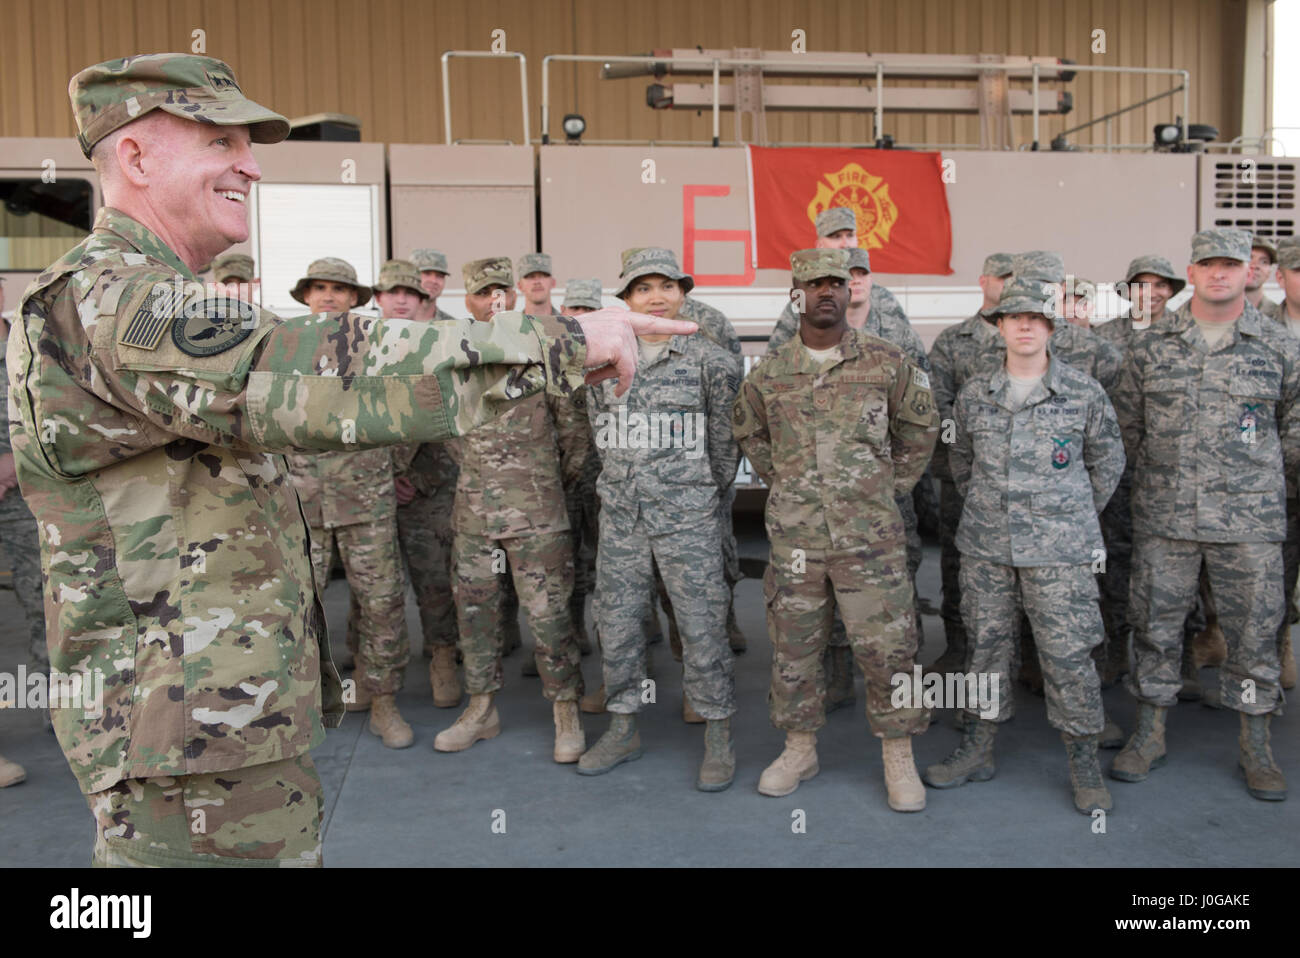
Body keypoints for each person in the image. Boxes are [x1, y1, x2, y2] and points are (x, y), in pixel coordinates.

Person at [11, 53, 694, 867]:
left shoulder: (141, 293)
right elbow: (305, 371)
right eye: (220, 140)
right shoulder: (110, 297)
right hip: (182, 744)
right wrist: (559, 341)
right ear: (135, 156)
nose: (251, 164)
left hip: (215, 726)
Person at [734, 248, 937, 810]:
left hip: (869, 540)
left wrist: (880, 489)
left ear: (850, 293)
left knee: (889, 648)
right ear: (794, 295)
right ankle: (800, 748)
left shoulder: (888, 361)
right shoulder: (771, 374)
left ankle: (898, 755)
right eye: (812, 283)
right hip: (796, 541)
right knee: (794, 650)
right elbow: (750, 436)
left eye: (836, 282)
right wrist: (792, 484)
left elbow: (920, 431)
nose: (825, 291)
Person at [1110, 227, 1299, 802]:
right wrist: (1145, 496)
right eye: (1207, 264)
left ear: (1250, 273)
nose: (1219, 274)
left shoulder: (1279, 346)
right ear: (1189, 273)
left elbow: (1294, 433)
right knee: (1156, 628)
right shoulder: (1150, 345)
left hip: (1250, 525)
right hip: (1166, 519)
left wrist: (1269, 492)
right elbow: (1126, 432)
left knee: (1253, 636)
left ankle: (1255, 744)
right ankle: (1149, 732)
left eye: (1231, 265)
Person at [926, 276, 1125, 814]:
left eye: (1036, 319)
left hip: (1060, 553)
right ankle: (979, 747)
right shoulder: (974, 395)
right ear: (998, 327)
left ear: (1052, 326)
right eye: (1014, 318)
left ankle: (1083, 762)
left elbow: (1107, 465)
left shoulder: (1083, 393)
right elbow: (961, 464)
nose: (1025, 326)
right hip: (988, 548)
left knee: (1068, 656)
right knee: (987, 650)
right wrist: (996, 510)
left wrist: (1069, 515)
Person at [577, 248, 741, 790]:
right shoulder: (600, 365)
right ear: (625, 301)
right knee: (619, 625)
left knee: (702, 627)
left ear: (682, 295)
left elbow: (723, 450)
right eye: (642, 287)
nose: (655, 296)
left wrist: (694, 496)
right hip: (623, 516)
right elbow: (600, 436)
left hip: (688, 519)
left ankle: (718, 735)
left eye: (666, 285)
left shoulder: (711, 362)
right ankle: (623, 729)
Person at [434, 257, 592, 762]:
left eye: (502, 289)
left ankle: (565, 713)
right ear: (470, 303)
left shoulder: (542, 351)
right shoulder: (454, 360)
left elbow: (574, 437)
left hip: (538, 515)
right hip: (475, 516)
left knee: (549, 618)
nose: (494, 299)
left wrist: (540, 484)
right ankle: (482, 710)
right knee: (476, 617)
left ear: (515, 294)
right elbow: (445, 434)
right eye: (484, 293)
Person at [284, 258, 414, 748]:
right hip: (303, 504)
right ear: (305, 295)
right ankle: (302, 703)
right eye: (319, 287)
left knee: (381, 603)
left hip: (366, 499)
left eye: (339, 289)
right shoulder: (286, 347)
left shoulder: (379, 348)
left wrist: (392, 467)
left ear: (356, 298)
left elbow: (409, 410)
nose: (328, 296)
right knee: (296, 607)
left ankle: (383, 702)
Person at [927, 253, 1015, 676]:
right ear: (984, 281)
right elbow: (938, 407)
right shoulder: (953, 341)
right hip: (965, 479)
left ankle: (1026, 656)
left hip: (1025, 482)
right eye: (1005, 277)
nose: (1011, 284)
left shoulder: (1032, 332)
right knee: (957, 563)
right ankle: (959, 647)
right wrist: (970, 448)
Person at [0, 276, 48, 788]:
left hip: (28, 494)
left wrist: (15, 459)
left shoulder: (31, 339)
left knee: (50, 603)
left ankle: (66, 715)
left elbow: (62, 404)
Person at [411, 247, 457, 322]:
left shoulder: (452, 326)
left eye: (440, 275)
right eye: (427, 273)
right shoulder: (394, 324)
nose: (433, 280)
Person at [1247, 233, 1281, 321]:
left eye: (1264, 262)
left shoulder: (1280, 316)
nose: (1255, 266)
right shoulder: (1213, 311)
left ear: (1269, 272)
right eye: (1248, 259)